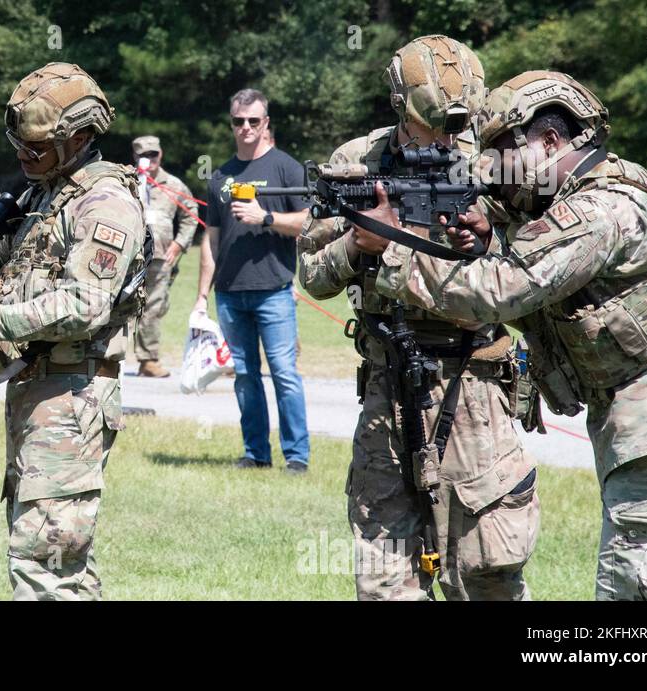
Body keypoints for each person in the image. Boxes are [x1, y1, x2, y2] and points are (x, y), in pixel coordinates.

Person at [372, 70, 647, 600]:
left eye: (503, 153)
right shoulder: (596, 196)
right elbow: (535, 265)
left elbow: (501, 289)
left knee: (639, 596)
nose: (492, 172)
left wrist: (388, 247)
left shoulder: (602, 208)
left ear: (549, 142)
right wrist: (491, 237)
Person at [298, 36, 538, 601]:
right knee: (383, 575)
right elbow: (313, 275)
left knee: (482, 573)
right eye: (436, 122)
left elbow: (536, 266)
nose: (449, 136)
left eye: (459, 122)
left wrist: (487, 237)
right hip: (388, 386)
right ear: (401, 107)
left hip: (474, 385)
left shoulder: (497, 163)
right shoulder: (357, 163)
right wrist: (358, 246)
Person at [0, 62, 146, 600]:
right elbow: (17, 275)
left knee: (44, 565)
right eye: (18, 145)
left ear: (81, 139)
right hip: (37, 391)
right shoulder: (46, 198)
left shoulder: (103, 202)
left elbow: (85, 305)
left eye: (37, 148)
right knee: (58, 560)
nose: (24, 157)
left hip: (73, 396)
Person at [191, 89, 311, 472]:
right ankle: (256, 454)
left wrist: (268, 218)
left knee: (285, 375)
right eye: (238, 121)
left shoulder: (286, 168)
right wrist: (201, 297)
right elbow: (210, 241)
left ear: (266, 124)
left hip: (274, 291)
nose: (245, 128)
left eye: (253, 121)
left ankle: (296, 457)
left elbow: (311, 224)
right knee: (245, 377)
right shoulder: (220, 177)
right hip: (229, 295)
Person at [131, 135, 199, 378]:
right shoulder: (126, 182)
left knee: (153, 306)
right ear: (135, 157)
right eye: (143, 155)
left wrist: (179, 244)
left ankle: (148, 359)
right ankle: (106, 357)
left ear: (161, 155)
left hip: (160, 257)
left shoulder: (174, 185)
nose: (149, 159)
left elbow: (191, 214)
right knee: (116, 307)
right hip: (126, 259)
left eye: (153, 154)